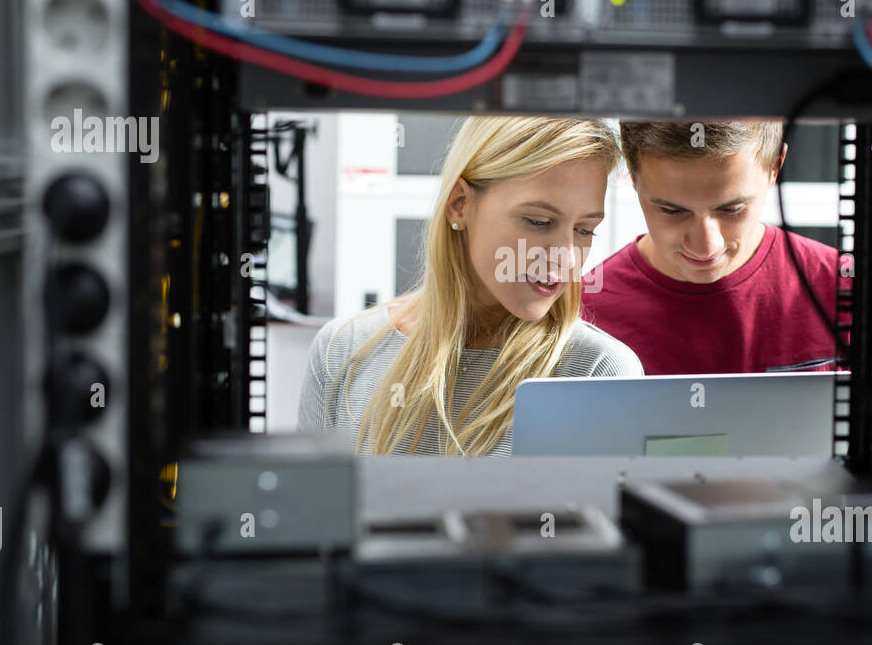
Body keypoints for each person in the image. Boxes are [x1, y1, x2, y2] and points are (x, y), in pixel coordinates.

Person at [298, 116, 643, 455]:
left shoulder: (600, 373)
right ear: (459, 204)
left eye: (585, 230)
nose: (565, 259)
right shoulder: (342, 351)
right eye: (538, 221)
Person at [580, 120, 841, 375]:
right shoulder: (582, 315)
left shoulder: (846, 289)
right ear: (632, 176)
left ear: (775, 167)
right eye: (672, 211)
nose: (706, 247)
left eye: (732, 209)